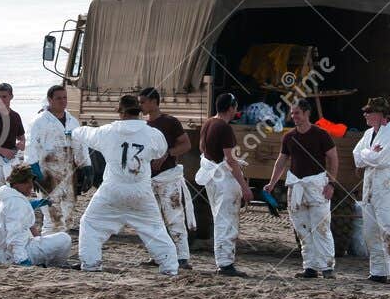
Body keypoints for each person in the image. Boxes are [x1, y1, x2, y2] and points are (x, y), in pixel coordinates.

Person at [75, 95, 180, 276]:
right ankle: (170, 267)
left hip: (112, 190)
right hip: (141, 190)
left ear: (120, 112)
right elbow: (161, 151)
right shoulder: (152, 133)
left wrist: (72, 131)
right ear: (139, 112)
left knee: (90, 224)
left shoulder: (107, 132)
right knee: (155, 230)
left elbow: (85, 133)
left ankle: (91, 264)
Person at [264, 99, 338, 278]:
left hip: (317, 186)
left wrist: (331, 183)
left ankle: (327, 268)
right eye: (292, 113)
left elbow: (333, 158)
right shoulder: (289, 137)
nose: (293, 116)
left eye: (296, 113)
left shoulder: (321, 134)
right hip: (296, 186)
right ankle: (310, 267)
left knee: (321, 227)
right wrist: (272, 183)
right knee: (302, 228)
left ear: (306, 113)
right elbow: (281, 161)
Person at [354, 95, 390, 285]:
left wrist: (368, 155)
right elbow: (357, 156)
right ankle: (378, 271)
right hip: (370, 188)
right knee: (370, 232)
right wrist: (370, 154)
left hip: (387, 188)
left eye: (369, 111)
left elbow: (381, 160)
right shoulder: (369, 134)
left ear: (380, 114)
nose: (365, 114)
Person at [195, 92, 251, 276]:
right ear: (231, 108)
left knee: (220, 218)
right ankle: (225, 263)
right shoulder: (224, 128)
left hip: (212, 177)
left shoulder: (209, 122)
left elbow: (202, 148)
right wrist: (244, 186)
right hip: (223, 180)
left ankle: (223, 261)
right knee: (226, 221)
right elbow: (230, 159)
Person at [138, 86, 194, 269]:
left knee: (174, 216)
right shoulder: (143, 124)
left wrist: (167, 154)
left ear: (154, 102)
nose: (141, 106)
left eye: (143, 102)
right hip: (149, 178)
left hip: (168, 176)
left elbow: (186, 145)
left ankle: (182, 257)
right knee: (153, 219)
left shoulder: (170, 122)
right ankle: (159, 255)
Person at [26, 85, 90, 234]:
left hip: (69, 174)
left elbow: (80, 146)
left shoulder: (72, 121)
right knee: (52, 215)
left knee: (67, 216)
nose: (63, 101)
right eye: (58, 98)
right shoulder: (39, 122)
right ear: (49, 100)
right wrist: (34, 171)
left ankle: (60, 247)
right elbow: (31, 147)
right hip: (47, 175)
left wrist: (87, 166)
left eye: (65, 97)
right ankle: (47, 248)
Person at [0, 163, 72, 267]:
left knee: (34, 233)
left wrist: (34, 204)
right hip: (9, 257)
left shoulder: (2, 195)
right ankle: (56, 265)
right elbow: (15, 236)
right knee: (64, 239)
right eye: (26, 182)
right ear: (16, 184)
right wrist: (22, 260)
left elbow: (11, 213)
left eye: (31, 182)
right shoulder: (16, 203)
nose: (31, 186)